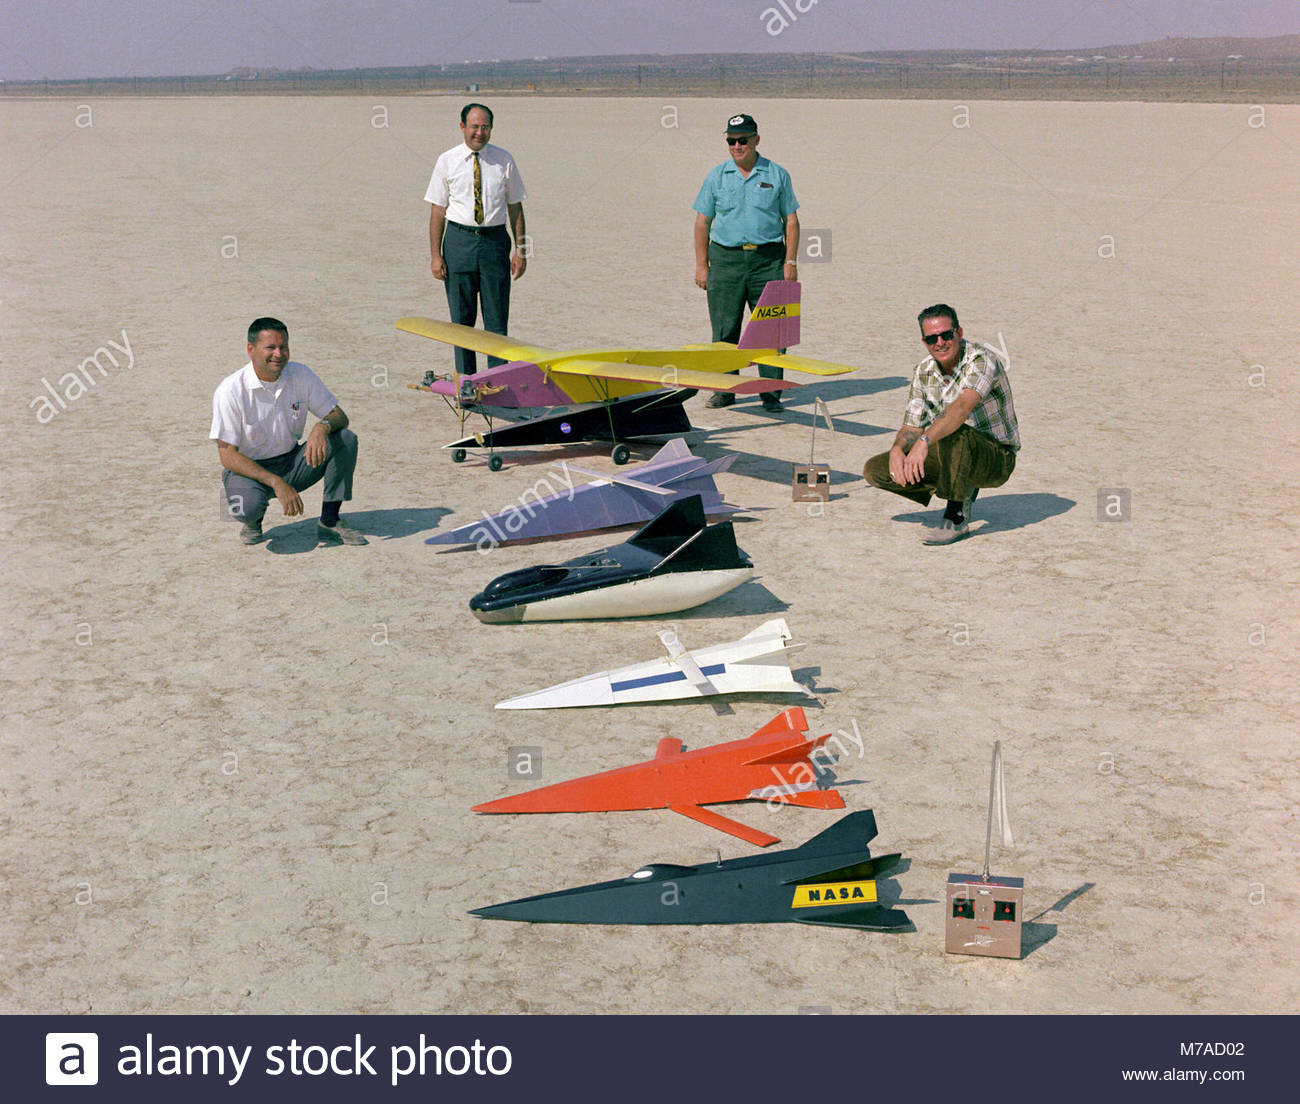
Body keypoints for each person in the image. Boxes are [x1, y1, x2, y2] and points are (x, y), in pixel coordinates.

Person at [863, 304, 1020, 545]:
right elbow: (912, 427)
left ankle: (955, 515)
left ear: (959, 333)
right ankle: (957, 482)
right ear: (924, 341)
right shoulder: (923, 371)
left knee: (954, 432)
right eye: (931, 338)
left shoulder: (982, 359)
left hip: (996, 458)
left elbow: (961, 408)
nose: (940, 342)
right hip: (952, 450)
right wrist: (897, 449)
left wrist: (924, 441)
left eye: (946, 335)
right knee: (876, 470)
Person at [211, 317, 367, 546]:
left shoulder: (300, 374)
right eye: (270, 347)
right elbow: (227, 456)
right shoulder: (230, 390)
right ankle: (253, 521)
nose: (278, 354)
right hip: (247, 470)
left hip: (292, 463)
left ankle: (330, 521)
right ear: (250, 350)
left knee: (345, 439)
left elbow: (340, 417)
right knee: (245, 507)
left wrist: (322, 426)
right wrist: (276, 483)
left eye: (283, 347)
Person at [692, 112, 799, 413]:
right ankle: (725, 390)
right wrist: (703, 265)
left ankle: (771, 393)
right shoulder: (716, 176)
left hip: (768, 260)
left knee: (771, 329)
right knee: (725, 329)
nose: (737, 146)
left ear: (756, 140)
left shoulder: (777, 174)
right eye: (731, 141)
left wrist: (790, 261)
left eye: (743, 140)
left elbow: (790, 220)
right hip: (726, 261)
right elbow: (702, 223)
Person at [425, 102, 527, 375]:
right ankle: (467, 382)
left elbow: (515, 206)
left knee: (496, 322)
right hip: (459, 243)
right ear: (462, 127)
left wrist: (521, 250)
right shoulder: (446, 161)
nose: (479, 133)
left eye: (485, 127)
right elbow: (438, 210)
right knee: (461, 322)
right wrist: (436, 255)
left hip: (494, 243)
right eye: (474, 127)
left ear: (491, 129)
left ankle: (497, 380)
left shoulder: (504, 160)